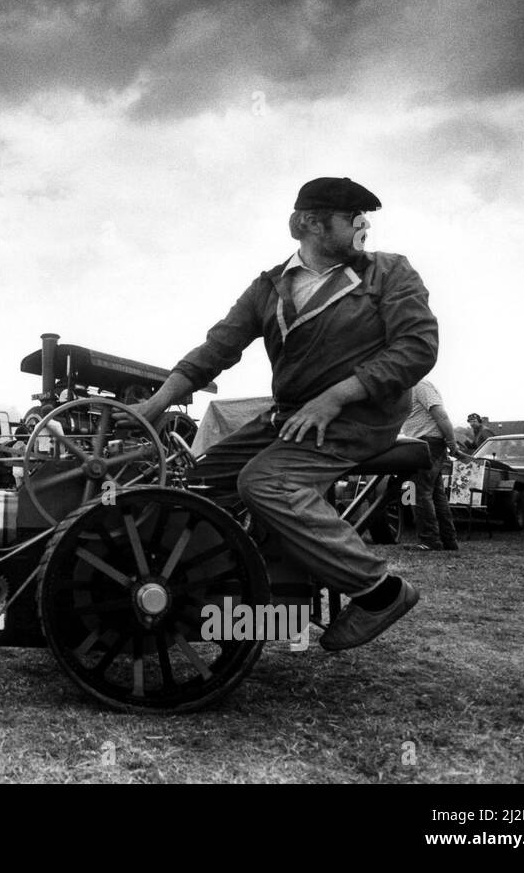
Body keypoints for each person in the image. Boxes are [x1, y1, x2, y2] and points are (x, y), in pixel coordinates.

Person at [132, 177, 437, 652]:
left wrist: (336, 396)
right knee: (197, 483)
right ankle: (231, 596)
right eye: (352, 218)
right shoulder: (270, 285)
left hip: (360, 417)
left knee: (266, 482)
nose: (364, 227)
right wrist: (154, 405)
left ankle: (380, 592)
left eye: (365, 218)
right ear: (307, 223)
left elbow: (417, 349)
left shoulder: (390, 272)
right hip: (292, 416)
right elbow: (217, 349)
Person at [399, 380, 460, 552]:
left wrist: (452, 443)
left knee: (417, 491)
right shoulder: (408, 389)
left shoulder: (420, 386)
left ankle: (429, 540)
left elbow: (441, 415)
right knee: (435, 493)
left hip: (428, 443)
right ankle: (448, 541)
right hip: (425, 443)